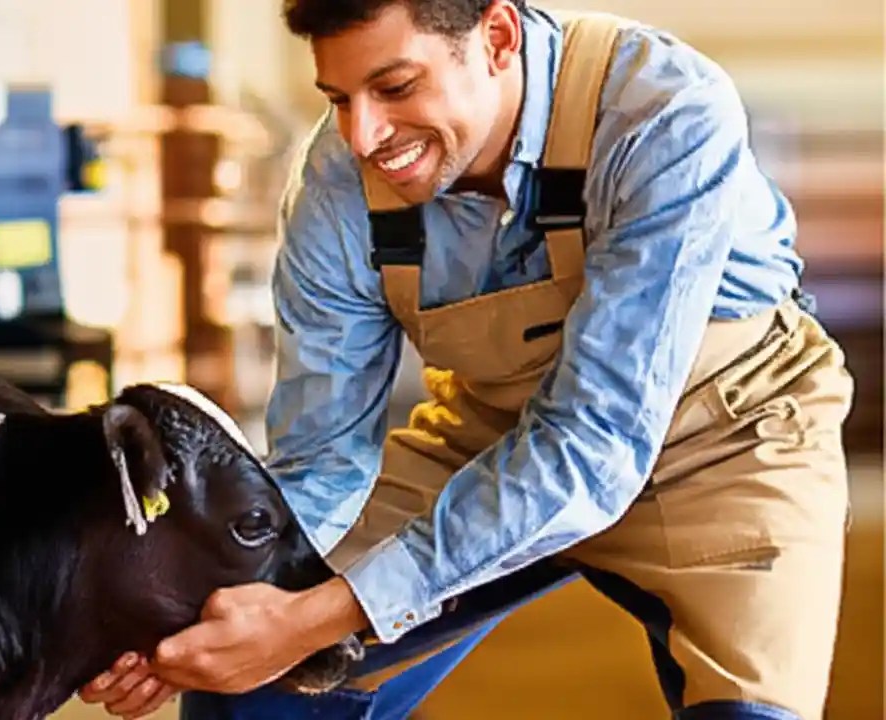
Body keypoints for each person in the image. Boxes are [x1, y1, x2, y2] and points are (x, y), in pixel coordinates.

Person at [79, 1, 855, 719]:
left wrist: (318, 617)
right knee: (252, 663)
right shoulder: (336, 180)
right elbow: (321, 463)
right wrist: (187, 617)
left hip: (728, 441)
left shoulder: (662, 113)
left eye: (395, 86)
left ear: (497, 38)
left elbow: (594, 446)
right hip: (488, 434)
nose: (364, 136)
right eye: (338, 98)